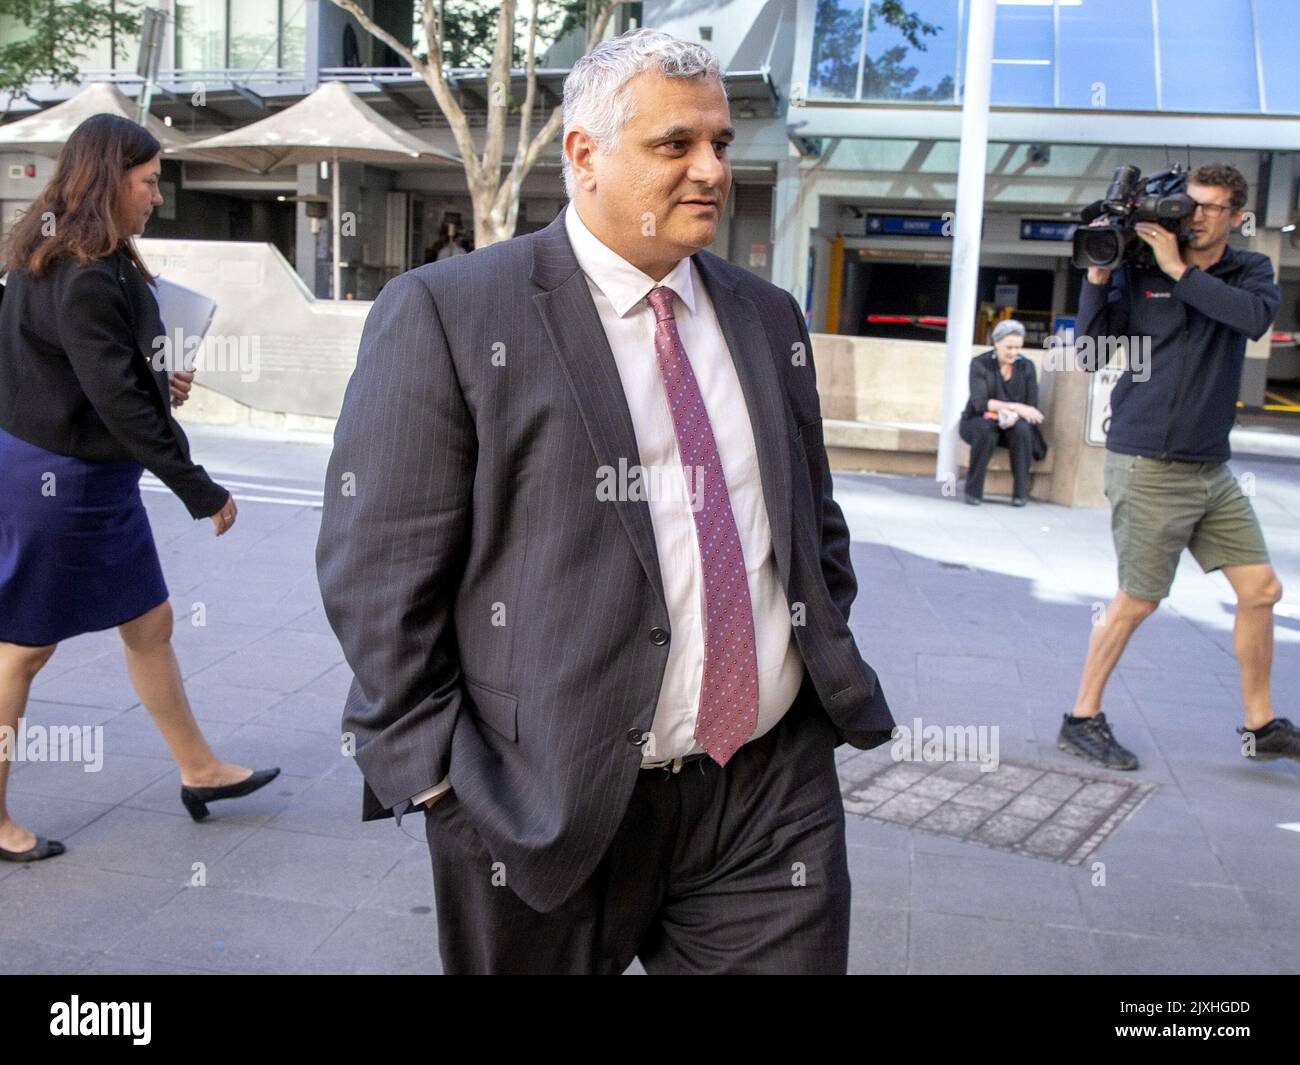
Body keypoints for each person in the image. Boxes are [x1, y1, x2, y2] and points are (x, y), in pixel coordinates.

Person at [316, 28, 894, 975]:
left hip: (764, 792)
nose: (711, 167)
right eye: (676, 144)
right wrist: (435, 777)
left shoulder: (767, 315)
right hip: (538, 795)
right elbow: (376, 569)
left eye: (720, 142)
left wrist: (812, 641)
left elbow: (810, 524)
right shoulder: (452, 312)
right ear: (584, 154)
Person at [0, 114, 280, 862]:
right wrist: (201, 487)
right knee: (21, 650)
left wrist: (160, 377)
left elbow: (103, 375)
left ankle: (200, 768)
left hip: (78, 474)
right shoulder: (88, 272)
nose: (158, 195)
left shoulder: (59, 252)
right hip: (62, 483)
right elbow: (116, 401)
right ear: (108, 180)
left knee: (149, 623)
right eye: (149, 181)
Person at [1063, 162, 1297, 769]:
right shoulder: (1139, 272)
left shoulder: (1250, 270)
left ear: (1236, 216)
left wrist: (1180, 272)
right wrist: (1097, 273)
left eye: (1212, 208)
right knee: (1138, 599)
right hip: (1148, 463)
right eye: (1190, 205)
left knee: (1261, 590)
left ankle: (1260, 724)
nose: (1195, 217)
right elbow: (1090, 351)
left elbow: (1252, 320)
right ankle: (1081, 718)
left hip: (1210, 468)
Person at [958, 319, 1046, 506]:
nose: (1013, 352)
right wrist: (1016, 407)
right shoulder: (980, 364)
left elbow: (1031, 405)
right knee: (986, 430)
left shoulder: (1026, 366)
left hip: (1012, 424)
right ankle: (973, 492)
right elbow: (980, 403)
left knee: (1022, 430)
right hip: (978, 420)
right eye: (1009, 347)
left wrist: (1014, 413)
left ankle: (1020, 493)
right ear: (996, 343)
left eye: (1017, 347)